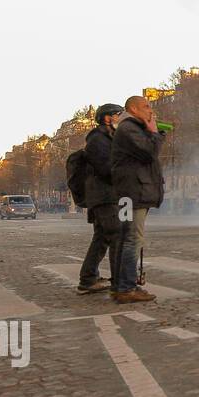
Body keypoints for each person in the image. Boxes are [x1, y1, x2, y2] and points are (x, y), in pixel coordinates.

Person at [110, 95, 163, 303]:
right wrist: (154, 133)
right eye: (146, 106)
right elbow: (150, 152)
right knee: (132, 239)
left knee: (127, 239)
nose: (151, 110)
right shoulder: (129, 128)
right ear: (133, 109)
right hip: (134, 192)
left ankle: (121, 286)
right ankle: (126, 288)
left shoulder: (126, 128)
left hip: (129, 192)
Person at [77, 103, 124, 294]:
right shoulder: (97, 139)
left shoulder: (106, 138)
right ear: (107, 118)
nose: (120, 119)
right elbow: (105, 169)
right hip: (104, 196)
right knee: (117, 236)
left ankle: (88, 278)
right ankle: (120, 282)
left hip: (105, 195)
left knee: (102, 238)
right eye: (118, 115)